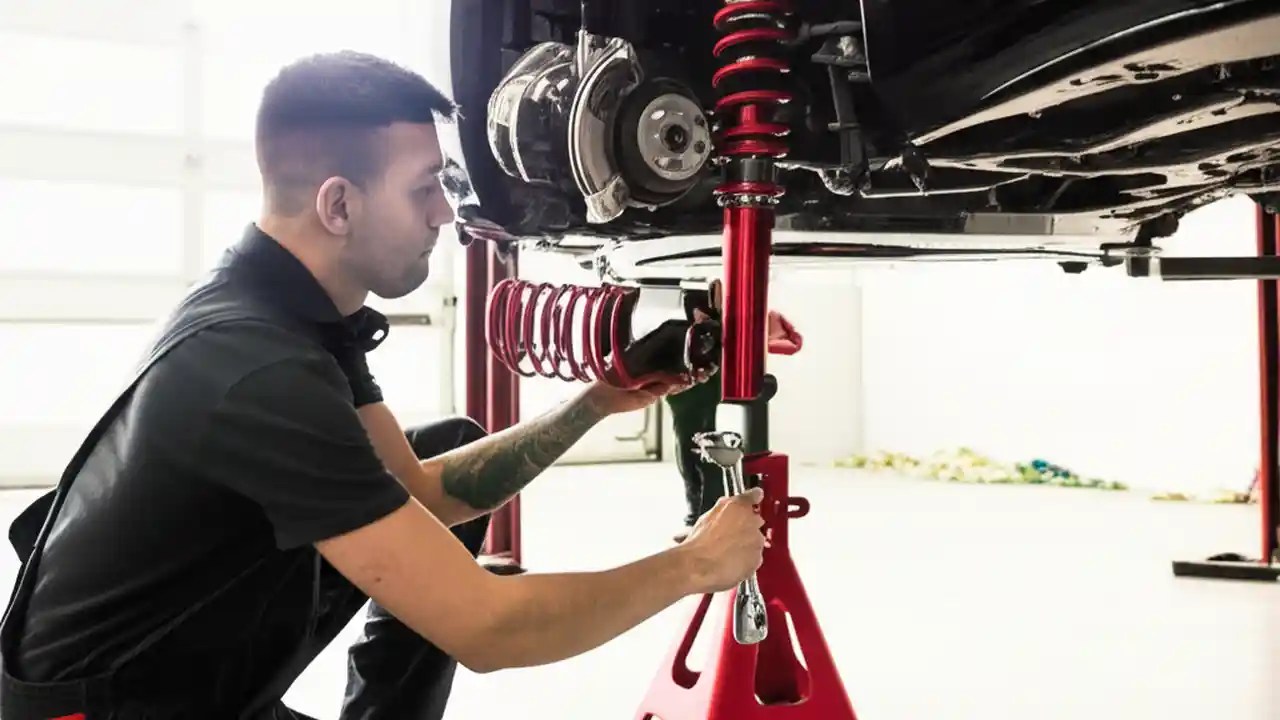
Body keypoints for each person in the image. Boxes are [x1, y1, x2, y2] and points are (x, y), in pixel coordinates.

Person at [0, 51, 766, 720]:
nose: (445, 213)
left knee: (452, 447)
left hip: (189, 687)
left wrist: (599, 400)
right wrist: (692, 565)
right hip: (111, 713)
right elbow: (490, 629)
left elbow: (420, 496)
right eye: (424, 189)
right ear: (339, 204)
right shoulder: (258, 368)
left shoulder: (295, 306)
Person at [667, 286, 803, 543]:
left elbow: (787, 339)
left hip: (703, 358)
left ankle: (707, 517)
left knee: (698, 441)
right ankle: (704, 517)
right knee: (692, 440)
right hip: (687, 358)